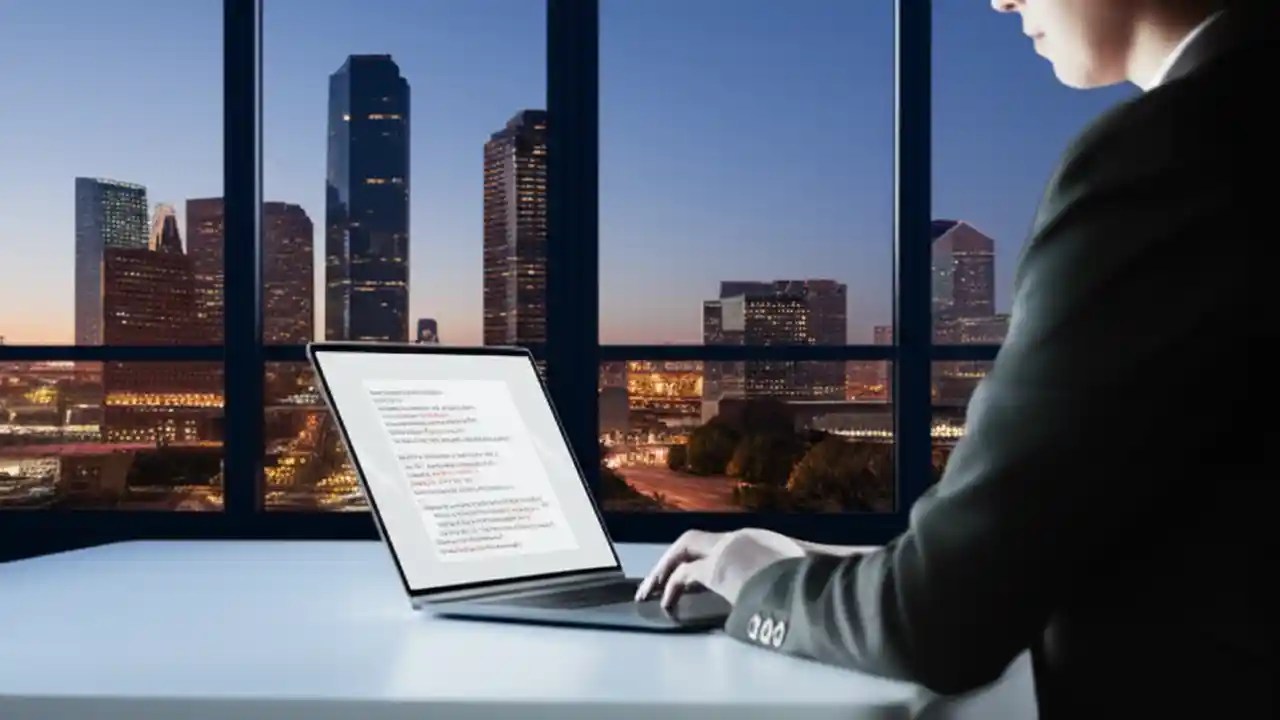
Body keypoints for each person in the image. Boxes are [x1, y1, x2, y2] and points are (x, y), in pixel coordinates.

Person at [636, 1, 1273, 717]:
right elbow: (1128, 542)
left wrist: (755, 582)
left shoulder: (1173, 152)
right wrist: (851, 570)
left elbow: (939, 625)